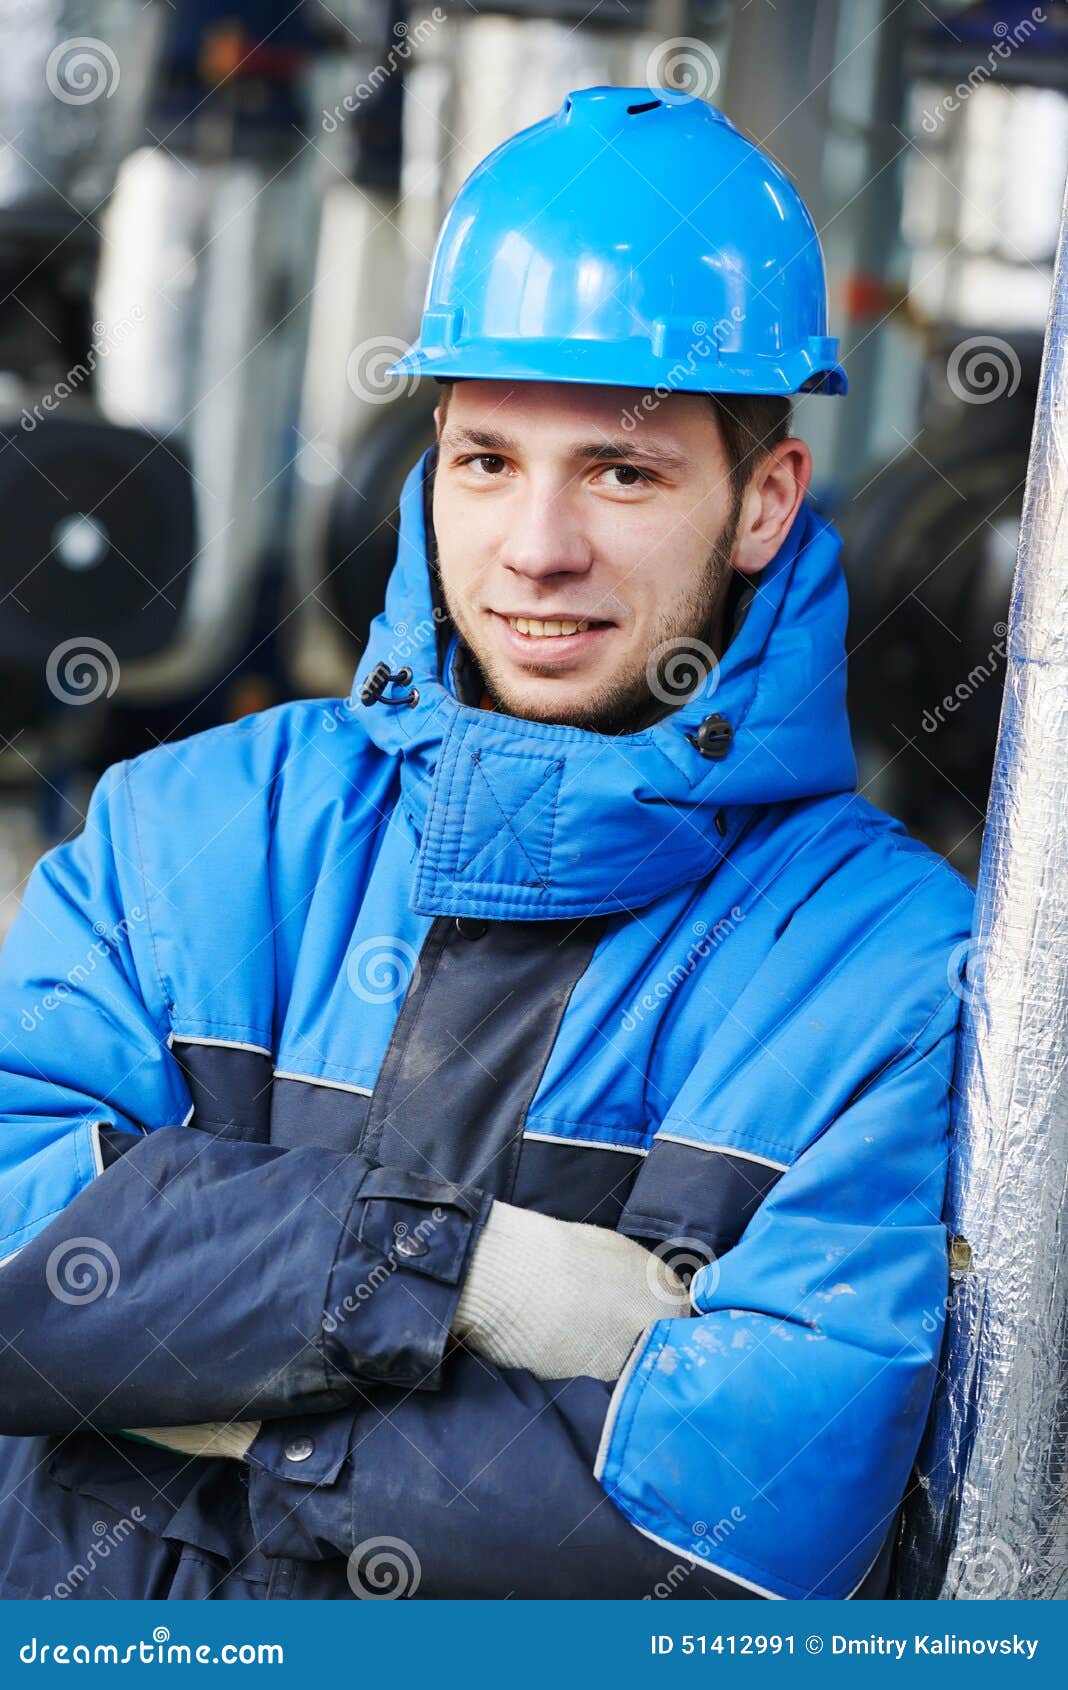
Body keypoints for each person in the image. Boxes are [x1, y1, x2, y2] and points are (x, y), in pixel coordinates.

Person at [0, 86, 972, 1601]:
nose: (536, 548)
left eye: (623, 470)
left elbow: (735, 1530)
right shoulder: (186, 827)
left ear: (767, 498)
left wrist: (204, 1415)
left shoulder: (888, 968)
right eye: (487, 459)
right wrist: (458, 1273)